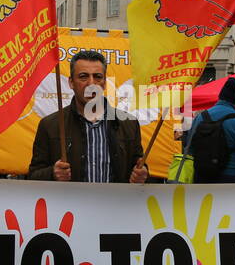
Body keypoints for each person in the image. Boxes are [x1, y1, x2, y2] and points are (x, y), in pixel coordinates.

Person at [28, 49, 147, 184]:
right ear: (71, 82)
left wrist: (141, 174)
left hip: (115, 204)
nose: (91, 84)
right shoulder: (50, 125)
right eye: (83, 76)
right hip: (70, 204)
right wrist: (52, 174)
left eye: (97, 77)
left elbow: (138, 167)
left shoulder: (129, 123)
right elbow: (33, 175)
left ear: (104, 83)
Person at [184, 77, 235, 183]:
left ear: (220, 97)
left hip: (202, 175)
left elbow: (190, 148)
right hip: (232, 177)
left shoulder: (201, 117)